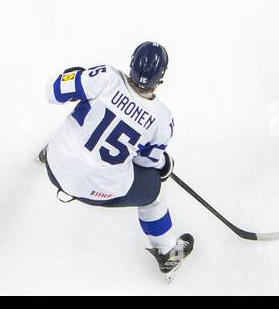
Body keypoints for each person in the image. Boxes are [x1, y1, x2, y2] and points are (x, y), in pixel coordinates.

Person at [40, 42, 193, 276]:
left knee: (79, 123)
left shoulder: (104, 77)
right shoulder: (163, 120)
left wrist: (78, 76)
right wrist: (163, 164)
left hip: (55, 163)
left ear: (131, 62)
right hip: (99, 191)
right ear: (161, 76)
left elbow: (53, 91)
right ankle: (168, 253)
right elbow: (146, 164)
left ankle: (49, 156)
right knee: (152, 193)